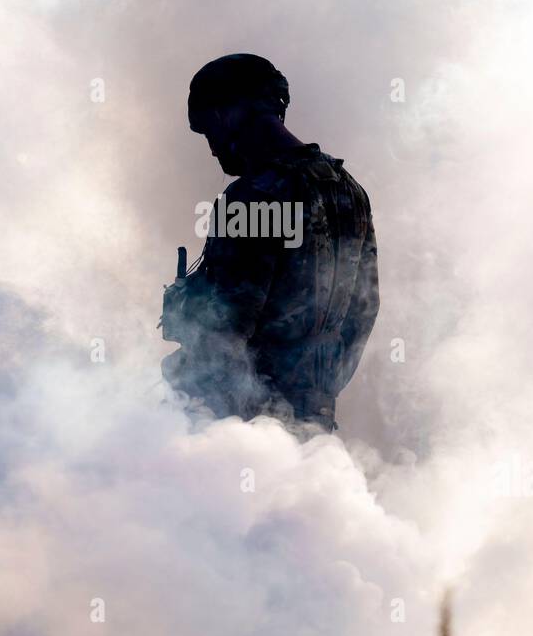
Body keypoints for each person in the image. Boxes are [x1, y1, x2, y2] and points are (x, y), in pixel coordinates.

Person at [161, 54, 379, 434]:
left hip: (244, 425)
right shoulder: (348, 190)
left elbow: (228, 327)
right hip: (312, 424)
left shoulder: (254, 196)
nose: (212, 146)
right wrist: (314, 393)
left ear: (231, 113)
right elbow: (363, 313)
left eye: (209, 127)